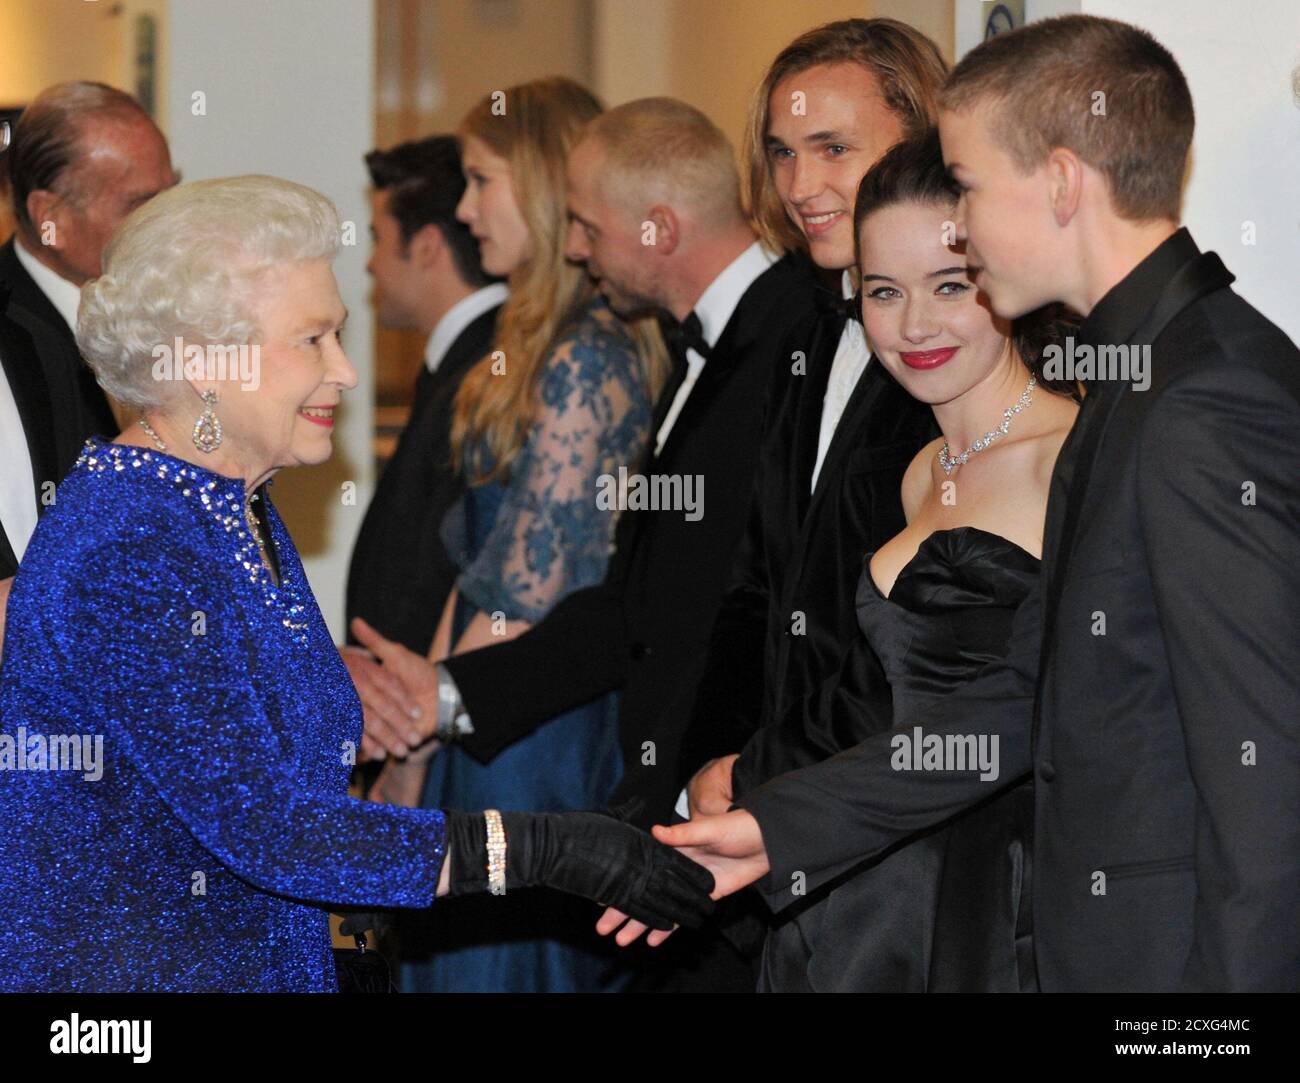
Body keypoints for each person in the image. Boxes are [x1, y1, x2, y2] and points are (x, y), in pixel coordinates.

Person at [621, 15, 1300, 993]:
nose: (964, 227)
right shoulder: (1138, 378)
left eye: (971, 188)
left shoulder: (1202, 397)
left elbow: (1267, 781)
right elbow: (1022, 698)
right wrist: (780, 826)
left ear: (1060, 183)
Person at [0, 175, 712, 993]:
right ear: (199, 360)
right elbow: (270, 829)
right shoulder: (132, 539)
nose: (344, 371)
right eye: (312, 341)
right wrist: (546, 848)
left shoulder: (232, 504)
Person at [352, 96, 817, 991]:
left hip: (670, 782)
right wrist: (439, 696)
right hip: (578, 748)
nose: (571, 245)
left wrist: (432, 715)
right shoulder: (688, 349)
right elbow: (623, 595)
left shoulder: (769, 337)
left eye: (582, 222)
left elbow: (734, 604)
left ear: (658, 226)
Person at [358, 79, 668, 994]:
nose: (463, 208)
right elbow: (482, 565)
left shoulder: (586, 358)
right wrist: (420, 736)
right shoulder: (531, 346)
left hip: (527, 737)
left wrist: (422, 727)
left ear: (538, 186)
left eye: (481, 181)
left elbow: (530, 588)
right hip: (474, 713)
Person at [670, 16, 944, 988]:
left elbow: (920, 644)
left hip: (900, 851)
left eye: (834, 148)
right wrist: (710, 761)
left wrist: (754, 775)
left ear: (924, 142)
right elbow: (756, 583)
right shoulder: (811, 320)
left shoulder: (958, 349)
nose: (797, 186)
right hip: (778, 846)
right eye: (782, 153)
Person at [342, 136, 505, 749]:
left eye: (378, 238)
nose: (370, 264)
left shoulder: (489, 372)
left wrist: (409, 729)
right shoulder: (462, 363)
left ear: (428, 246)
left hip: (437, 732)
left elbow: (459, 567)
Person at [0, 82, 177, 612]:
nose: (169, 225)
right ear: (49, 214)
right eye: (143, 204)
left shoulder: (178, 313)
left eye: (174, 194)